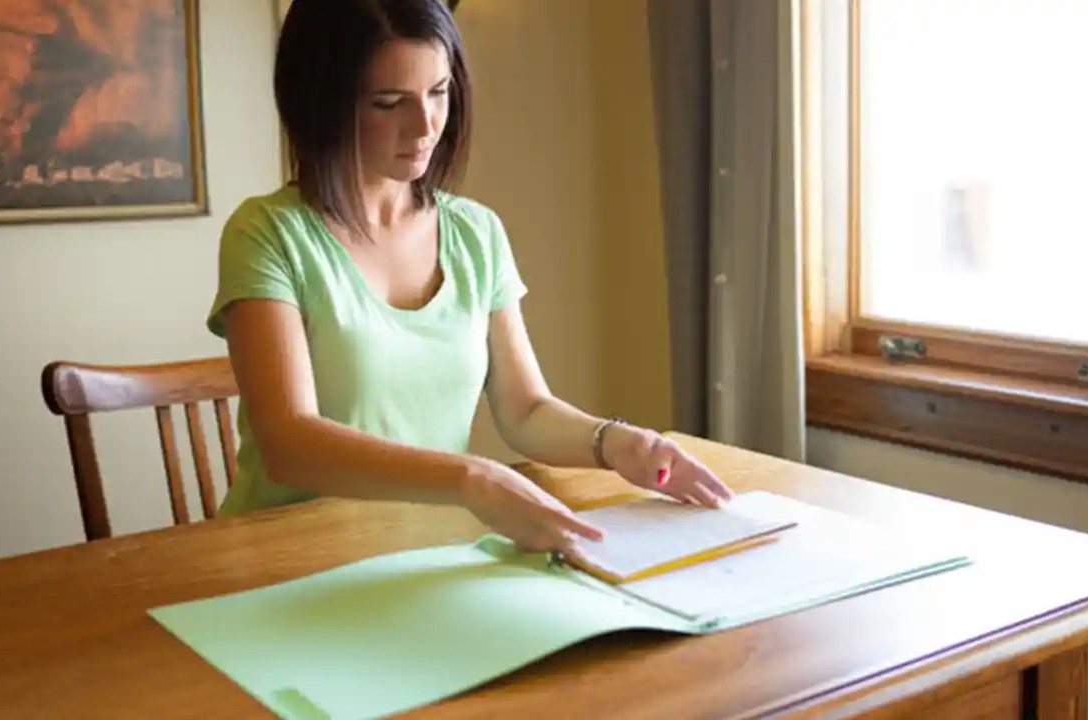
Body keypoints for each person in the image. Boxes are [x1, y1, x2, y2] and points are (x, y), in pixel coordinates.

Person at [206, 0, 734, 563]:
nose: (426, 125)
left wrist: (618, 443)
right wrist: (472, 479)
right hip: (288, 559)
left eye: (438, 92)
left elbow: (525, 410)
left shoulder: (475, 232)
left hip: (422, 551)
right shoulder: (266, 233)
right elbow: (290, 443)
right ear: (322, 103)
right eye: (389, 102)